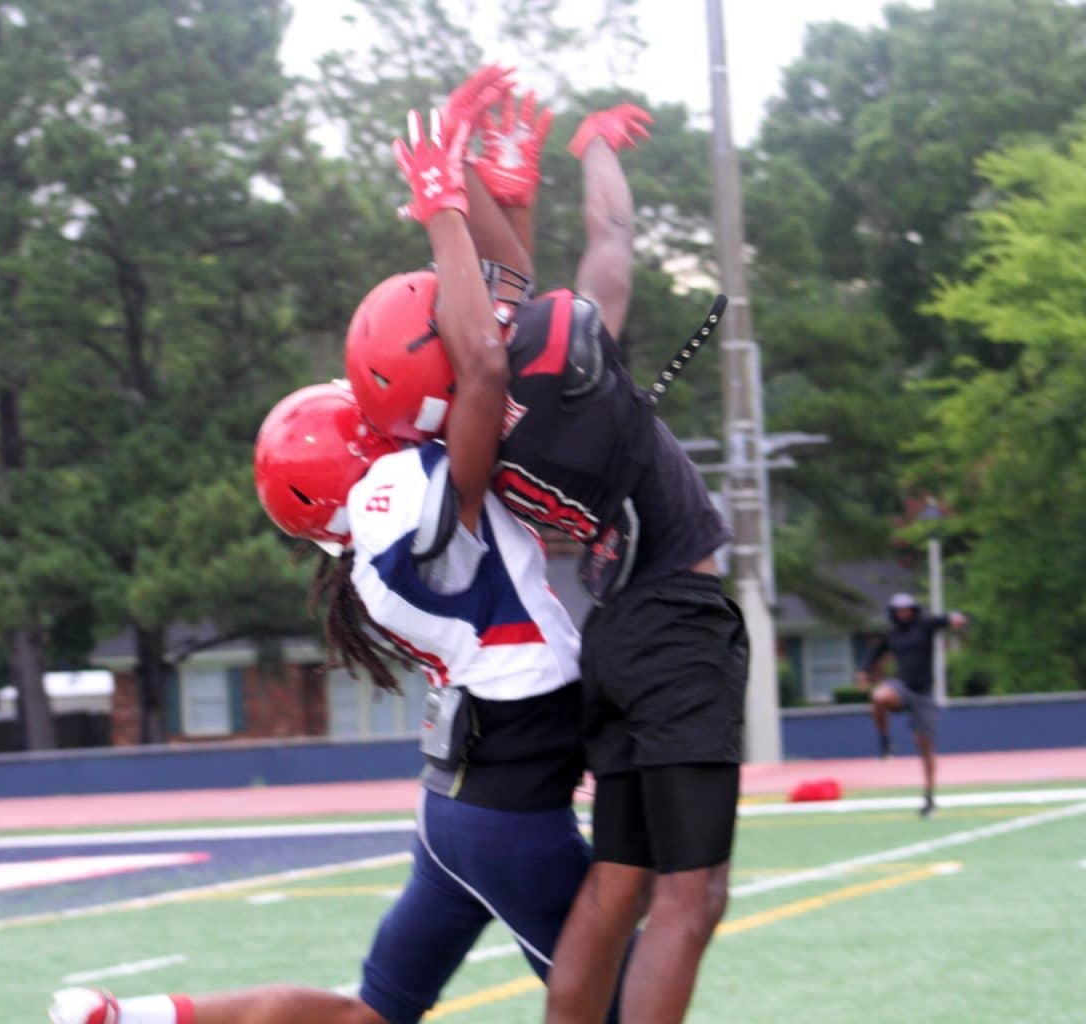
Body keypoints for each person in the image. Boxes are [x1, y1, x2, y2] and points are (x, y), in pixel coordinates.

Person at [349, 73, 746, 1024]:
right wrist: (571, 155)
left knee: (616, 893)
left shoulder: (476, 449)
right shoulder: (562, 380)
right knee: (690, 902)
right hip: (675, 629)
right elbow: (606, 243)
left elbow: (494, 314)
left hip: (616, 637)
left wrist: (484, 191)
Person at [50, 378, 629, 1020]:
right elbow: (483, 387)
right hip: (509, 817)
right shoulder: (405, 494)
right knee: (625, 1004)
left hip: (458, 811)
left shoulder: (371, 565)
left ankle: (138, 1016)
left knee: (370, 1014)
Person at [855, 592, 968, 817]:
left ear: (913, 610)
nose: (903, 613)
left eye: (906, 609)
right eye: (898, 610)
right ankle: (886, 741)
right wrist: (864, 672)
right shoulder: (893, 635)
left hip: (923, 694)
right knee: (878, 697)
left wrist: (955, 618)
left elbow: (944, 620)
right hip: (902, 688)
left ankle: (929, 797)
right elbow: (874, 654)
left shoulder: (924, 625)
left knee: (924, 747)